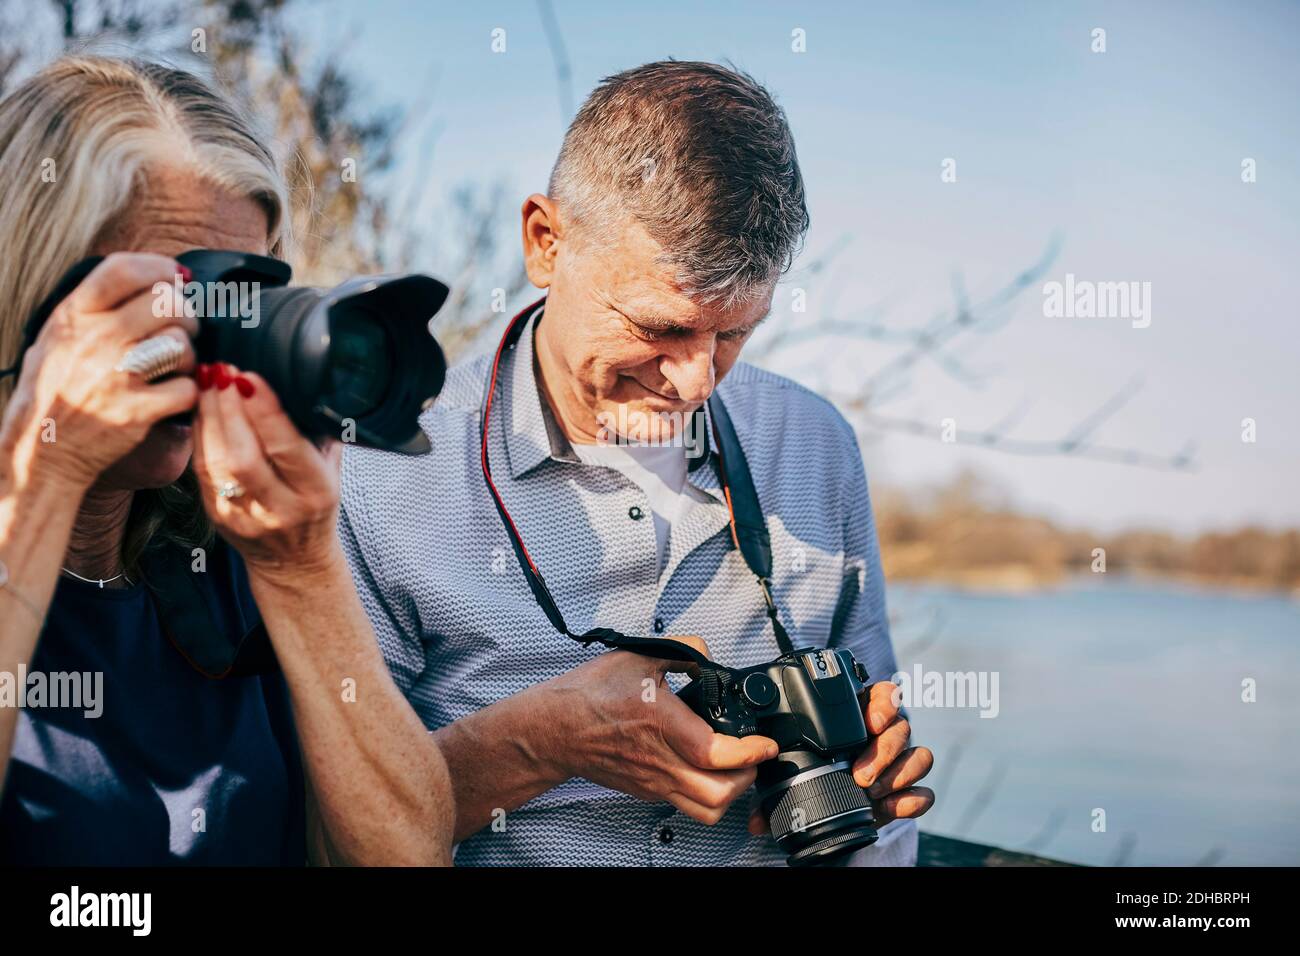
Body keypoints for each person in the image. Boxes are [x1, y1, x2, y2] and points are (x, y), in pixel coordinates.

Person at [340, 60, 935, 865]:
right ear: (545, 243)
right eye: (661, 328)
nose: (696, 381)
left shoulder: (815, 443)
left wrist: (863, 779)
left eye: (732, 335)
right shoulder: (384, 467)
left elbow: (883, 815)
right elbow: (333, 832)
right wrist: (539, 745)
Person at [0, 56, 454, 865]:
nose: (208, 339)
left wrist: (303, 570)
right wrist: (43, 474)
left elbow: (406, 855)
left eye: (242, 295)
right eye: (171, 298)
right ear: (37, 302)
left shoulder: (220, 568)